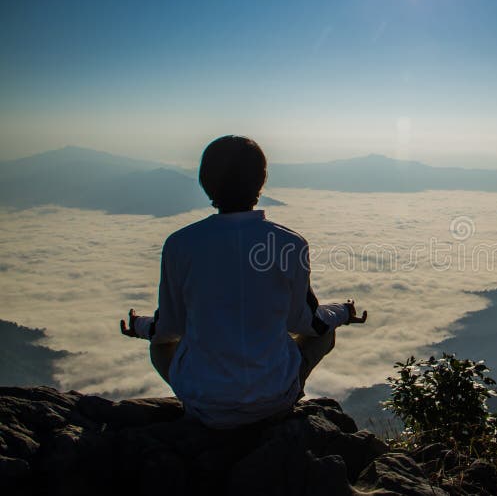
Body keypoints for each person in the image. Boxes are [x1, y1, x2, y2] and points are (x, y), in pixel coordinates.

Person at [119, 135, 367, 428]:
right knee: (325, 331)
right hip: (273, 401)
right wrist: (342, 311)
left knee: (159, 345)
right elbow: (307, 323)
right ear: (261, 182)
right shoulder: (290, 243)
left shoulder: (180, 244)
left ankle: (201, 401)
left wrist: (139, 326)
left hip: (205, 407)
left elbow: (168, 328)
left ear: (205, 182)